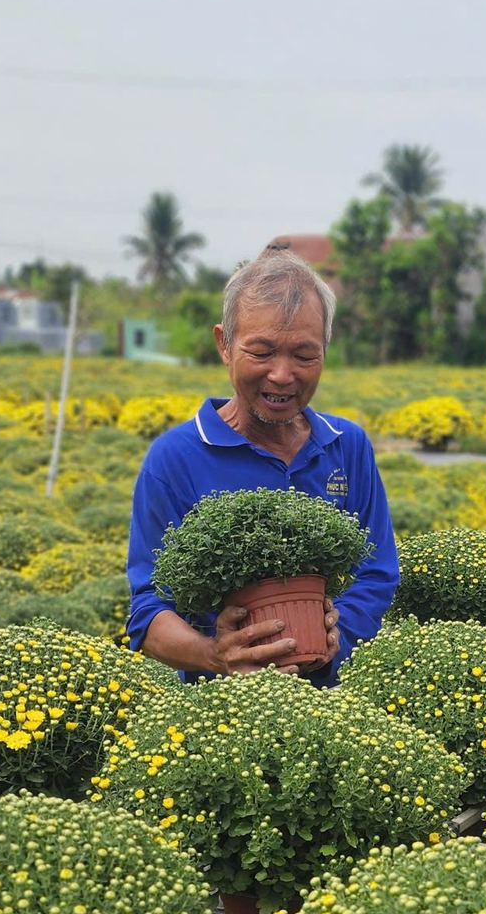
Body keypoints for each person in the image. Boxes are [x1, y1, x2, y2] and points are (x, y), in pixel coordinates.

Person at [125, 244, 398, 683]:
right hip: (221, 718)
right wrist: (214, 653)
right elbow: (148, 610)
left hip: (340, 708)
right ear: (225, 345)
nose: (282, 374)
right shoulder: (174, 458)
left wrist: (336, 634)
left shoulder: (347, 447)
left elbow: (377, 572)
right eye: (262, 351)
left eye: (304, 355)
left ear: (325, 351)